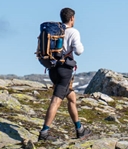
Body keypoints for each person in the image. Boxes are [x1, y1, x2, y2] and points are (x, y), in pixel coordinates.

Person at [38, 7, 91, 141]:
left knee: (72, 97)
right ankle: (44, 132)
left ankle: (80, 129)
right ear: (72, 18)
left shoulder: (55, 32)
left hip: (52, 69)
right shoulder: (73, 32)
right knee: (56, 101)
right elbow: (79, 51)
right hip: (65, 71)